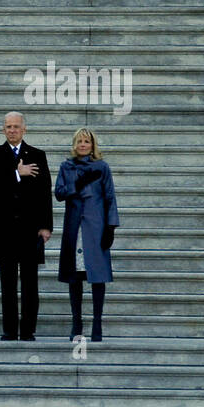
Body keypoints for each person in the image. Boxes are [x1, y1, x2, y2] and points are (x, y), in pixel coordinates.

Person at [0, 112, 52, 342]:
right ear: (3, 130)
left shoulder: (37, 155)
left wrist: (45, 226)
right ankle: (10, 329)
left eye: (16, 126)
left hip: (30, 227)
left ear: (24, 129)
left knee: (30, 282)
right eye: (8, 126)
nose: (12, 130)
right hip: (4, 228)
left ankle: (28, 330)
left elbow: (44, 192)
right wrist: (16, 173)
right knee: (8, 283)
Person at [56, 128, 119, 342]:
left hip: (96, 227)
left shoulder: (102, 167)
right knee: (75, 277)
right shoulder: (66, 166)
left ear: (93, 145)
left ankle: (97, 323)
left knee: (97, 277)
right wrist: (77, 184)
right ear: (74, 144)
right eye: (79, 141)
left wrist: (111, 227)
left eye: (87, 141)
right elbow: (59, 193)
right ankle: (77, 323)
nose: (83, 145)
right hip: (74, 228)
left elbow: (110, 197)